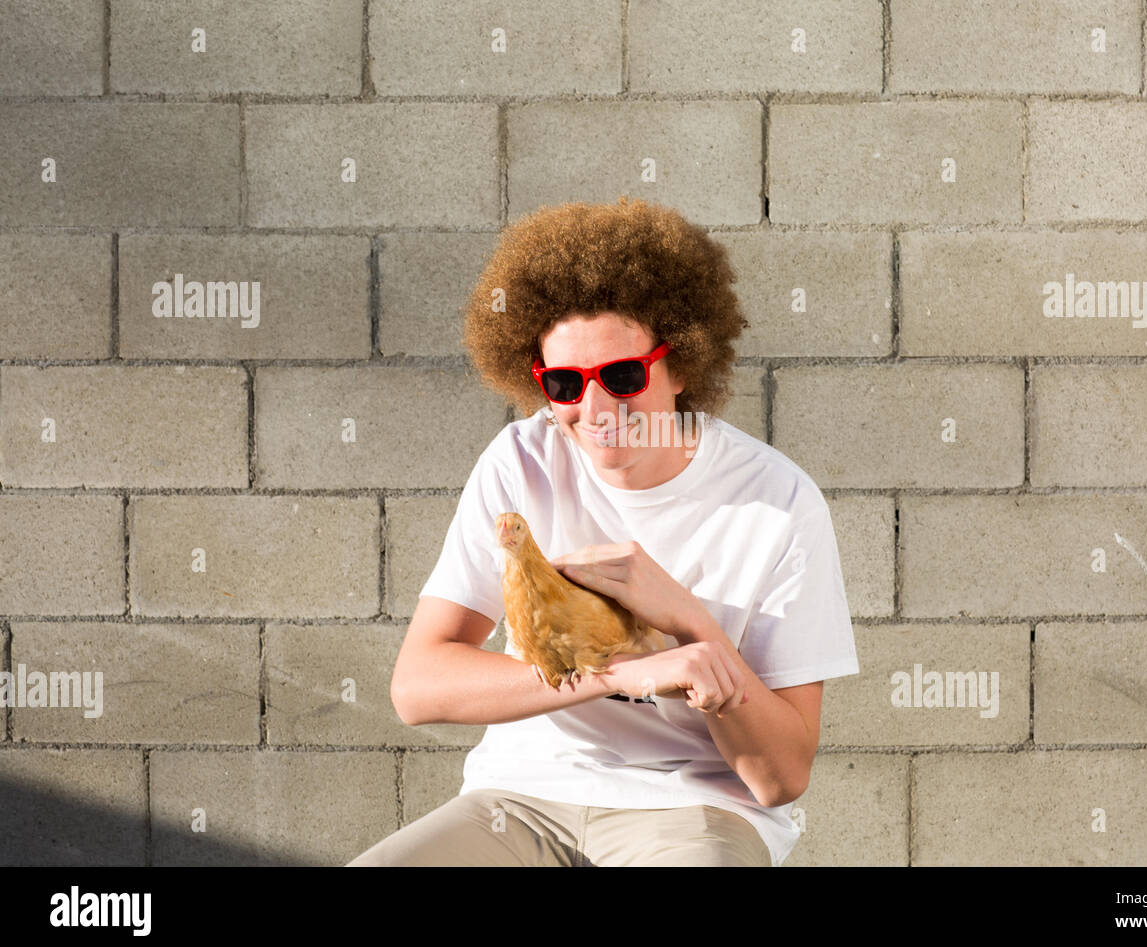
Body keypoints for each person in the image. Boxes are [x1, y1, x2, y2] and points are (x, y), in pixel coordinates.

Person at [347, 197, 859, 867]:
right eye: (563, 382)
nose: (594, 410)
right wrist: (626, 671)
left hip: (696, 808)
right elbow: (418, 688)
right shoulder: (520, 461)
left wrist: (690, 626)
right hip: (521, 798)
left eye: (622, 376)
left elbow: (779, 777)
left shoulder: (778, 502)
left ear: (681, 366)